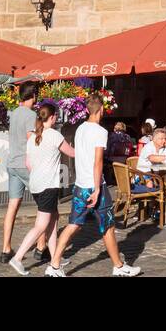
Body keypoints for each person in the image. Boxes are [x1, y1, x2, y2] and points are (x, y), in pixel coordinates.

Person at [46, 94, 140, 277]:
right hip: (95, 185)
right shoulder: (100, 132)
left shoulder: (80, 129)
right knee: (108, 225)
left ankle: (54, 265)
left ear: (88, 109)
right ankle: (118, 267)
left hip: (80, 184)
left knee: (74, 224)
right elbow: (97, 162)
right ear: (102, 110)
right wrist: (97, 189)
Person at [9, 104, 75, 275]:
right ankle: (17, 258)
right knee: (41, 226)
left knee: (53, 221)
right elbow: (72, 153)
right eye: (56, 117)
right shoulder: (54, 135)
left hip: (37, 184)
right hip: (48, 186)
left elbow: (28, 164)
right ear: (52, 117)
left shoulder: (34, 137)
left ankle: (55, 259)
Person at [1, 83, 48, 265]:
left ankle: (5, 248)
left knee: (12, 207)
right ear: (34, 96)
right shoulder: (30, 115)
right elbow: (31, 140)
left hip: (12, 163)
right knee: (44, 204)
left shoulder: (14, 113)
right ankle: (41, 247)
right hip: (24, 165)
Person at [135, 126, 166, 194]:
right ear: (154, 139)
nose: (164, 141)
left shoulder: (164, 148)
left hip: (156, 174)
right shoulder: (148, 146)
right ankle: (151, 202)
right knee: (150, 184)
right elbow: (152, 158)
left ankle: (165, 199)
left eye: (165, 138)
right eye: (161, 139)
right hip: (143, 174)